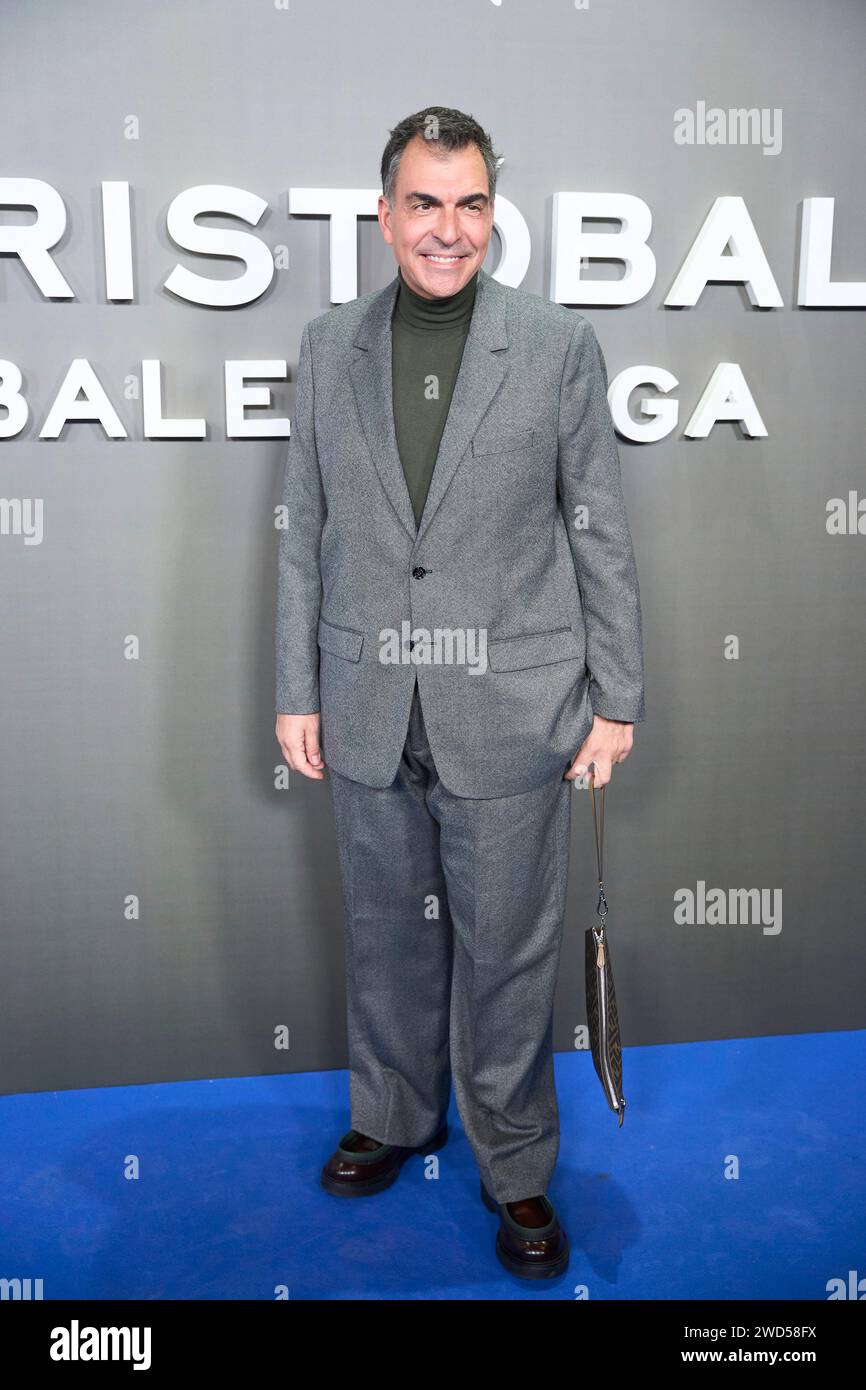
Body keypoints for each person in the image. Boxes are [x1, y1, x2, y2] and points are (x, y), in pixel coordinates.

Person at [274, 105, 645, 1280]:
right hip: (367, 700)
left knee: (505, 956)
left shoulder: (554, 345)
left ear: (493, 211)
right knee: (384, 938)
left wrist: (616, 696)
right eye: (425, 203)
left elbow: (598, 534)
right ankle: (392, 1114)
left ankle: (516, 1166)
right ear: (384, 214)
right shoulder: (326, 346)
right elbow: (303, 537)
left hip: (512, 709)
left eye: (471, 202)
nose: (449, 228)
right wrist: (297, 687)